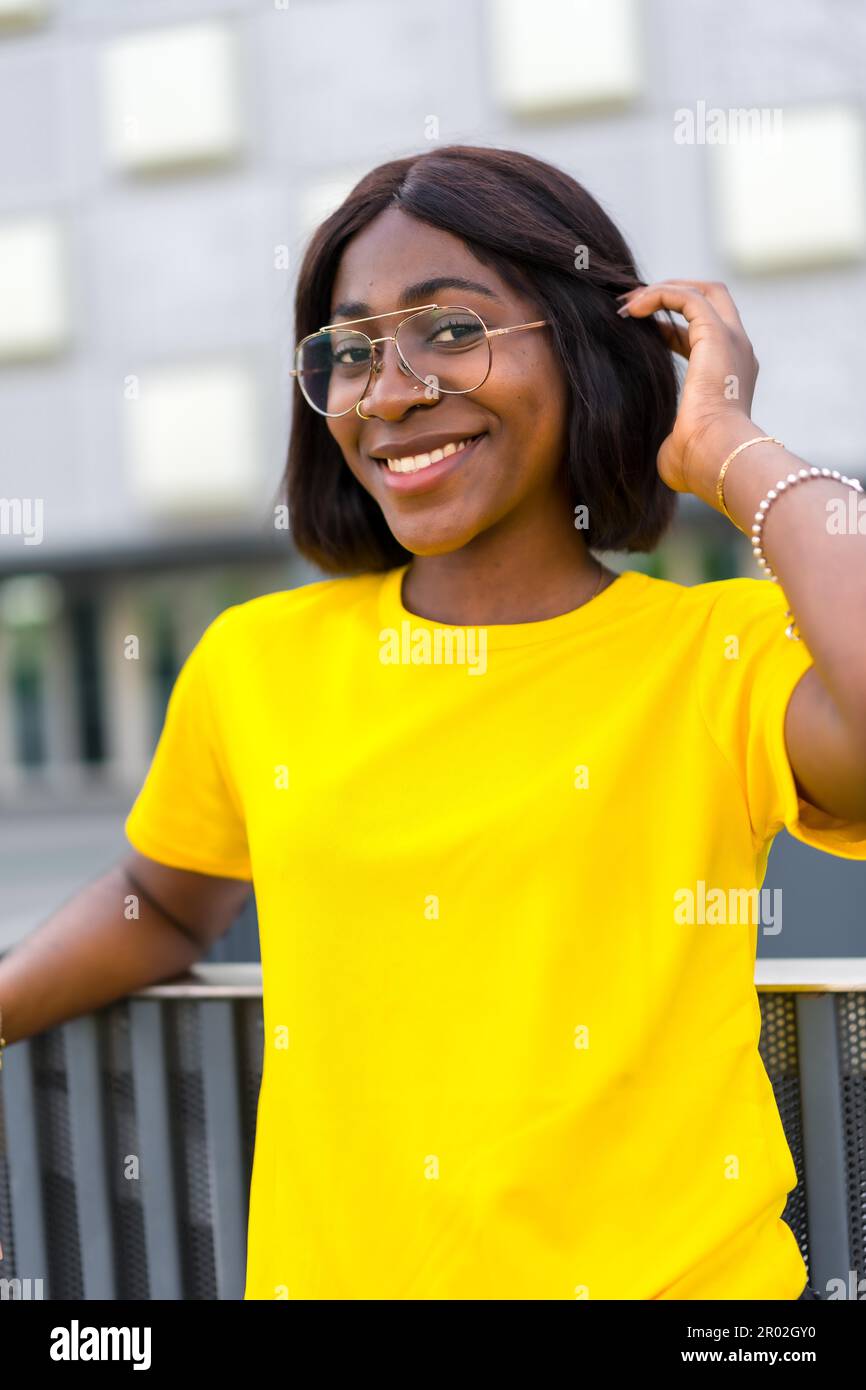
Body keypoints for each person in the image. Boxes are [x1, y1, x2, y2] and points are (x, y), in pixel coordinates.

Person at [2, 145, 864, 1301]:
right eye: (348, 349)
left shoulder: (718, 654)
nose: (390, 390)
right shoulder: (256, 661)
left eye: (449, 330)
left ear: (584, 343)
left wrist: (725, 445)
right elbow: (161, 901)